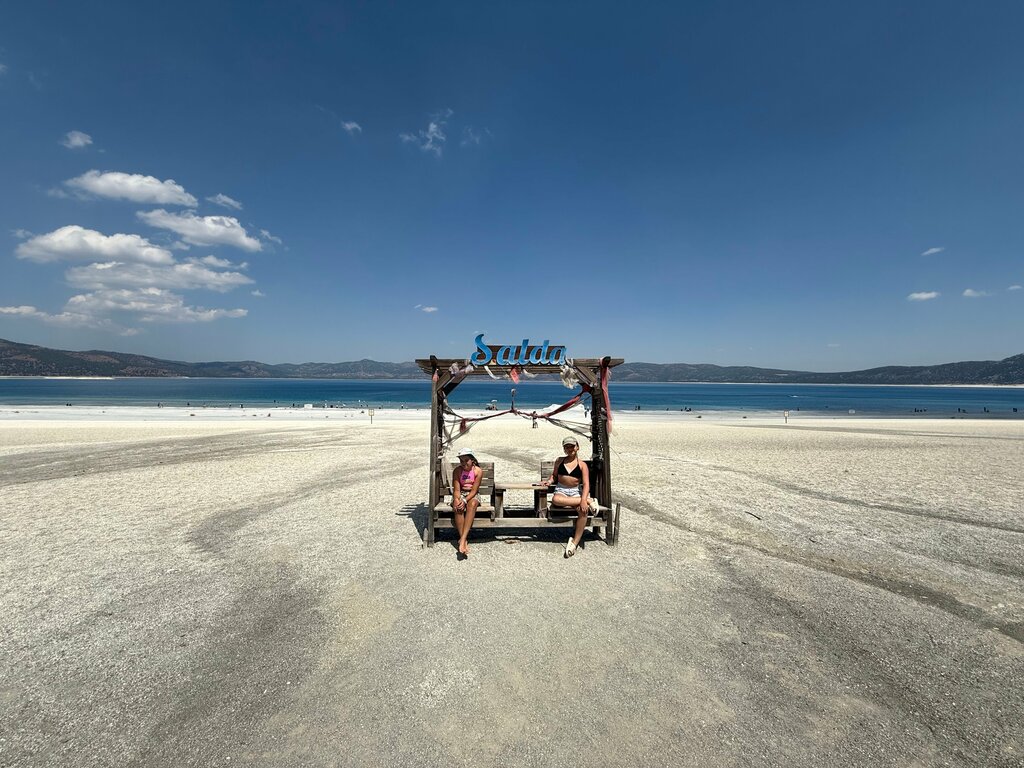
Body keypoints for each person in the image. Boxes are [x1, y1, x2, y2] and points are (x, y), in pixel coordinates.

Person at [541, 435, 592, 558]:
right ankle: (590, 501)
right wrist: (549, 481)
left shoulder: (582, 465)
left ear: (577, 447)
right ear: (564, 449)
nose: (570, 449)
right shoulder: (560, 461)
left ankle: (574, 542)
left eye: (572, 446)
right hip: (561, 490)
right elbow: (554, 475)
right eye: (567, 447)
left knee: (583, 510)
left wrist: (582, 500)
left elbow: (586, 484)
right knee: (555, 499)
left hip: (575, 492)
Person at [452, 449, 482, 557]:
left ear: (472, 460)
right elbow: (456, 490)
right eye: (461, 461)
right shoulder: (457, 471)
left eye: (466, 460)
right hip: (461, 494)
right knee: (458, 507)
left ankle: (463, 539)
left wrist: (465, 500)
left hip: (472, 495)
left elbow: (474, 491)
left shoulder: (478, 471)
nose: (464, 463)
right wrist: (457, 499)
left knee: (472, 504)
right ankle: (463, 540)